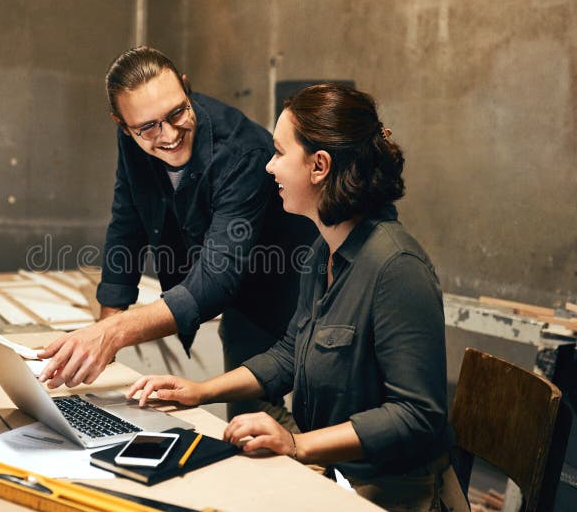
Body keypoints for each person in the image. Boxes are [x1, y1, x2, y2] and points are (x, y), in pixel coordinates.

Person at [126, 84, 468, 511]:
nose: (270, 168)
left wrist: (297, 444)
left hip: (392, 494)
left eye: (279, 153)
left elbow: (416, 416)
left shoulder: (395, 267)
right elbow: (290, 354)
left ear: (319, 165)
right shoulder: (321, 252)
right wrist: (200, 391)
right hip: (339, 477)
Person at [37, 46, 317, 424]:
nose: (168, 135)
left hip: (283, 282)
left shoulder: (242, 151)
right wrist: (106, 331)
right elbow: (128, 223)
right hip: (235, 294)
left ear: (186, 87)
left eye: (177, 113)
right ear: (122, 124)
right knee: (250, 415)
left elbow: (216, 279)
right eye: (147, 127)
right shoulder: (136, 137)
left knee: (285, 413)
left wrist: (112, 334)